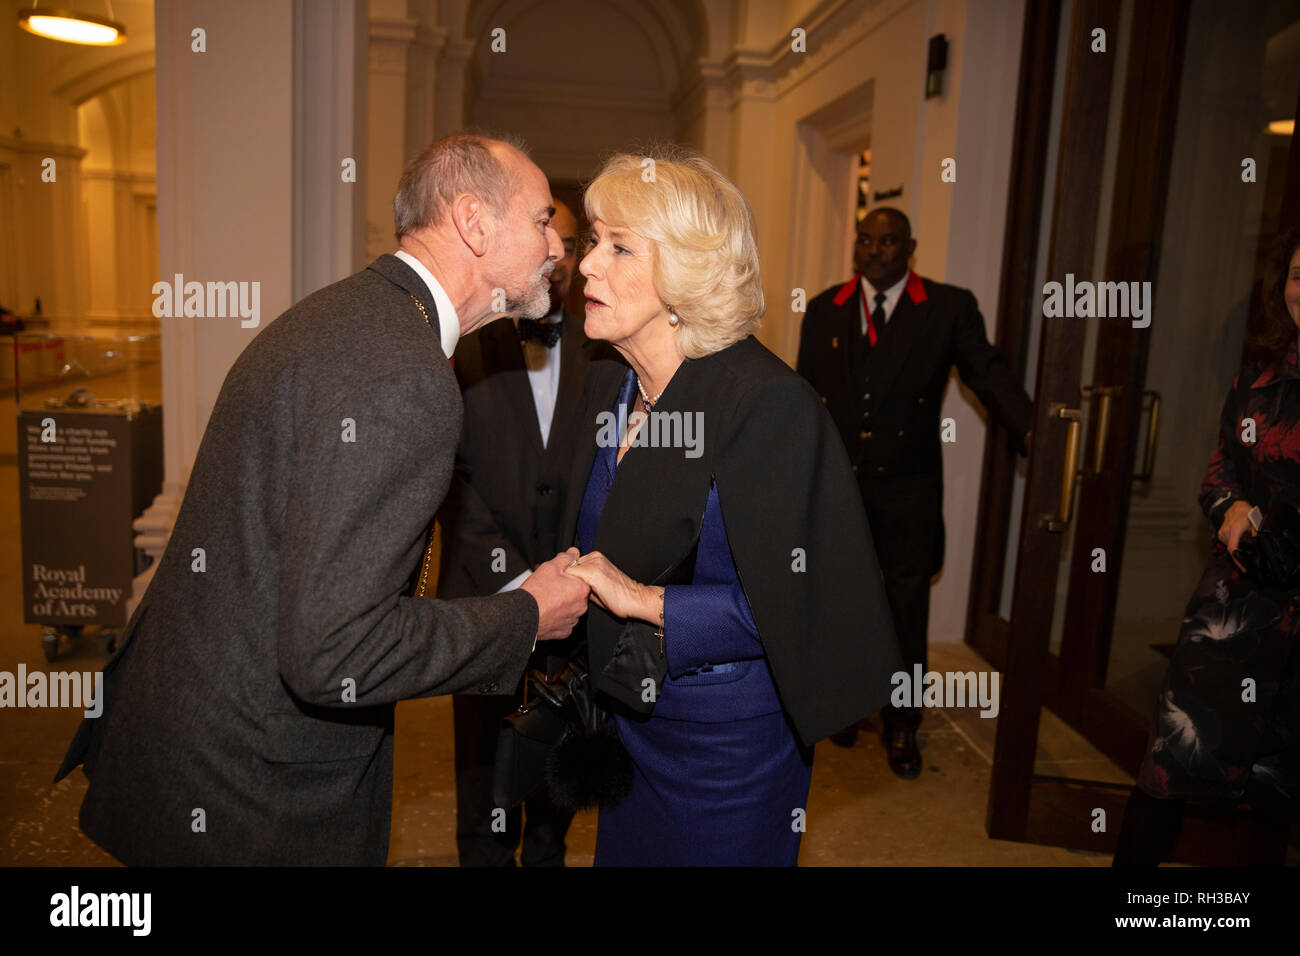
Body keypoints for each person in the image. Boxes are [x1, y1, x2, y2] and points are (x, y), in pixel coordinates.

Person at [54, 133, 592, 865]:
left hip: (192, 744)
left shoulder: (347, 314)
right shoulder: (406, 380)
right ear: (473, 222)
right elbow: (335, 650)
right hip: (254, 794)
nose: (558, 248)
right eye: (539, 222)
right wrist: (526, 614)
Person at [559, 148, 903, 866]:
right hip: (629, 713)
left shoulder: (766, 405)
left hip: (725, 744)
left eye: (619, 246)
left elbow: (805, 597)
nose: (587, 264)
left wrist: (646, 600)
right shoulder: (608, 385)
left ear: (686, 271)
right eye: (594, 241)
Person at [796, 207, 1032, 778]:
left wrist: (1036, 434)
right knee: (842, 603)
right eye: (866, 239)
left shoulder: (949, 308)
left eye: (889, 241)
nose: (876, 249)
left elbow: (989, 375)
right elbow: (802, 400)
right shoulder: (825, 308)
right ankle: (848, 707)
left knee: (905, 611)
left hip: (909, 493)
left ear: (911, 248)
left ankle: (902, 722)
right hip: (840, 491)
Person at [1113, 226, 1300, 866]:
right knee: (1170, 764)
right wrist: (1236, 507)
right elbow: (1220, 469)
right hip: (1232, 611)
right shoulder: (1260, 374)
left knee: (1276, 792)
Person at [438, 198, 613, 866]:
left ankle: (546, 850)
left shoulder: (607, 351)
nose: (558, 255)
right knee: (482, 766)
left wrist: (570, 581)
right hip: (484, 597)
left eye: (572, 243)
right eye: (547, 236)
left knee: (557, 759)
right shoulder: (462, 344)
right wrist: (517, 581)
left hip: (577, 600)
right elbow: (450, 478)